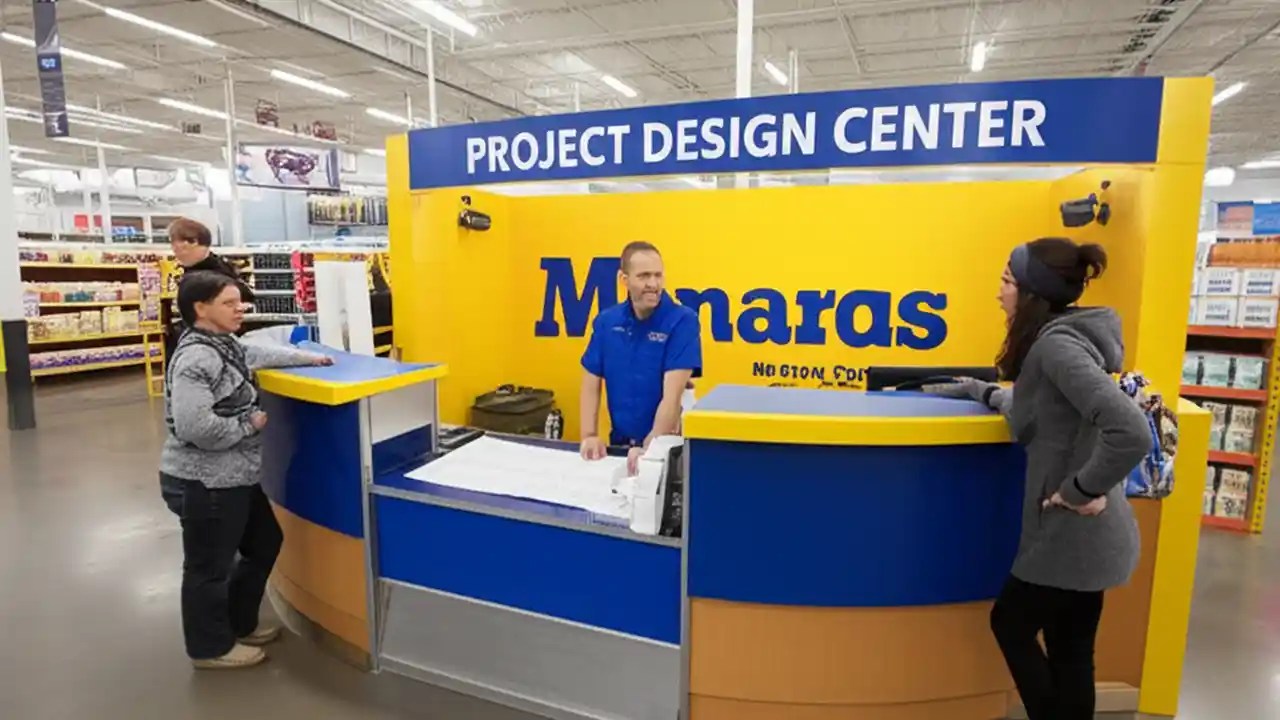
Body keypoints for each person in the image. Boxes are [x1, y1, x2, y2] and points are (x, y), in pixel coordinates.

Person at [922, 237, 1152, 720]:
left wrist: (1079, 490)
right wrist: (984, 392)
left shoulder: (1056, 347)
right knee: (1072, 650)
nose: (999, 292)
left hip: (1069, 533)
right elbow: (1044, 410)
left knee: (1011, 624)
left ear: (1033, 292)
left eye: (1007, 281)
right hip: (1093, 535)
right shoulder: (1065, 339)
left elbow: (1130, 430)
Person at [160, 271, 333, 670]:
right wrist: (248, 424)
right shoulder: (196, 358)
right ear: (201, 308)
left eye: (240, 301)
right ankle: (209, 649)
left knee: (264, 542)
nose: (240, 309)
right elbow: (195, 427)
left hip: (235, 474)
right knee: (208, 567)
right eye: (229, 303)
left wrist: (311, 359)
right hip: (204, 480)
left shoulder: (223, 344)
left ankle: (238, 624)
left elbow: (255, 354)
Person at [579, 241, 702, 473]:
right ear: (624, 279)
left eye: (658, 275)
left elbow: (672, 398)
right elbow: (590, 380)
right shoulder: (607, 321)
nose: (653, 284)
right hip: (620, 447)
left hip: (665, 449)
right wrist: (589, 435)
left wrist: (651, 448)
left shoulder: (683, 321)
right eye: (644, 276)